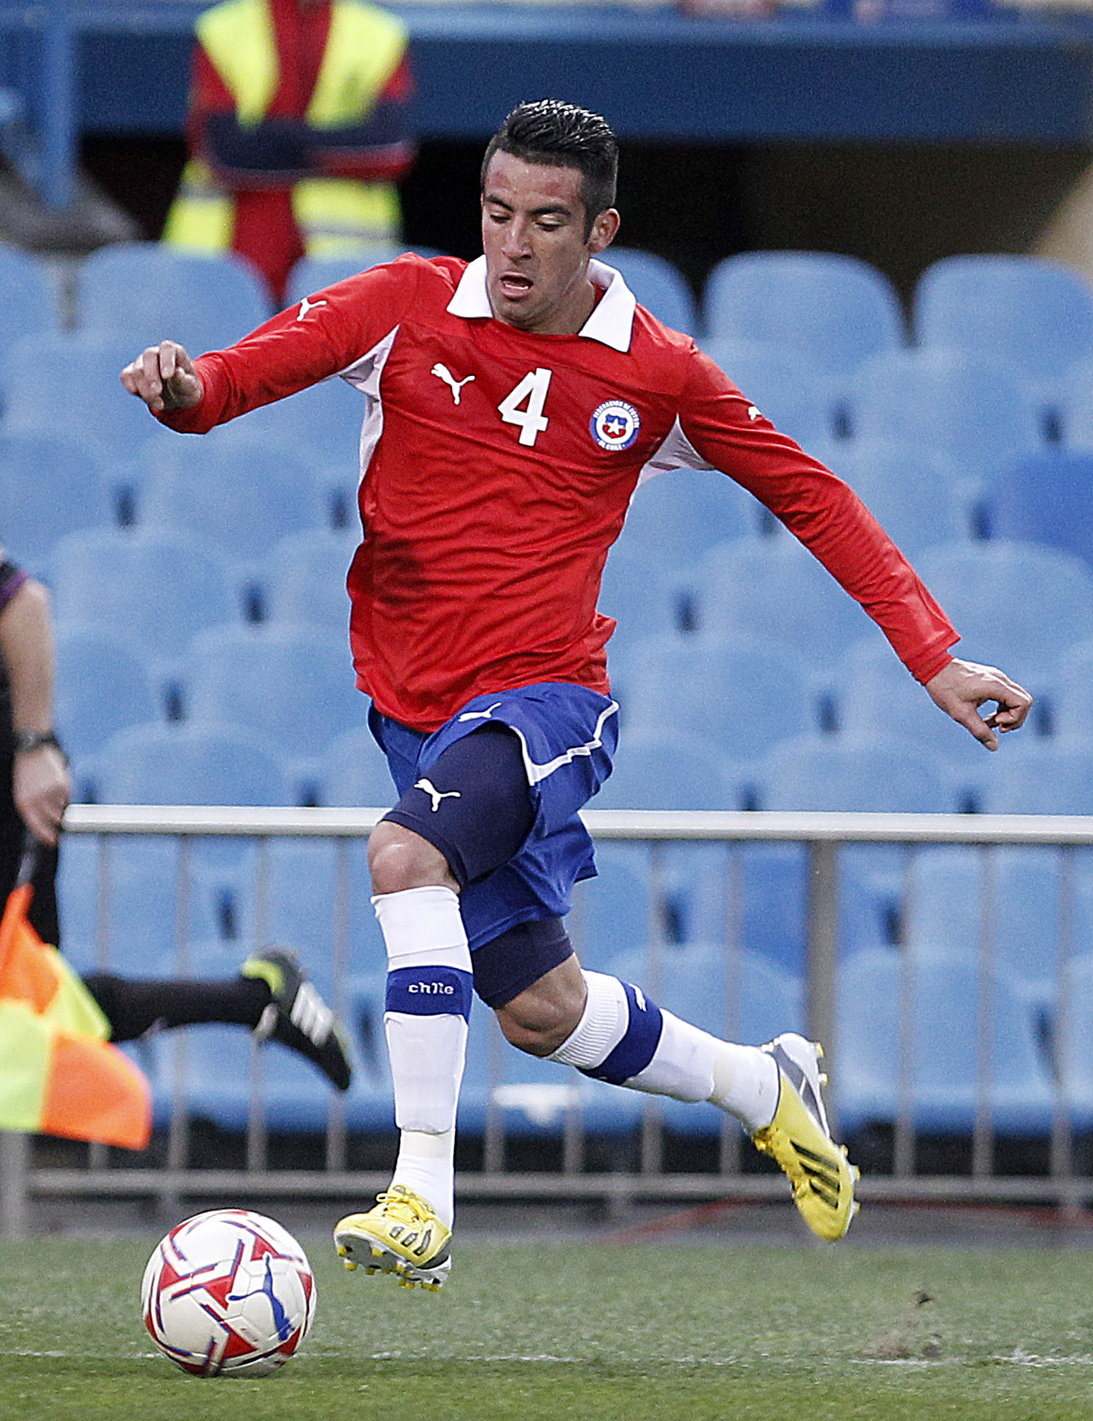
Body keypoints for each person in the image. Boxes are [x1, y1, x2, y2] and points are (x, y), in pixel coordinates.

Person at [122, 99, 1032, 1288]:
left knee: (403, 859)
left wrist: (934, 654)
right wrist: (181, 385)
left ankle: (419, 1193)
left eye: (545, 223)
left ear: (599, 229)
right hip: (413, 708)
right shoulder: (401, 304)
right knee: (543, 1010)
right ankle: (766, 1082)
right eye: (497, 213)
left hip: (543, 702)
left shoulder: (655, 371)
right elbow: (230, 385)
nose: (512, 245)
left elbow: (812, 496)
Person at [0, 549, 351, 1093]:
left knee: (35, 1004)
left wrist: (33, 744)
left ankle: (257, 1000)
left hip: (10, 786)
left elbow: (23, 601)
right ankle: (256, 1001)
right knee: (37, 1007)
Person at [162, 0, 416, 307]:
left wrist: (271, 141)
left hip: (344, 266)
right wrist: (341, 150)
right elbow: (224, 153)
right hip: (226, 257)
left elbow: (389, 151)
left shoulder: (379, 32)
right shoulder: (222, 28)